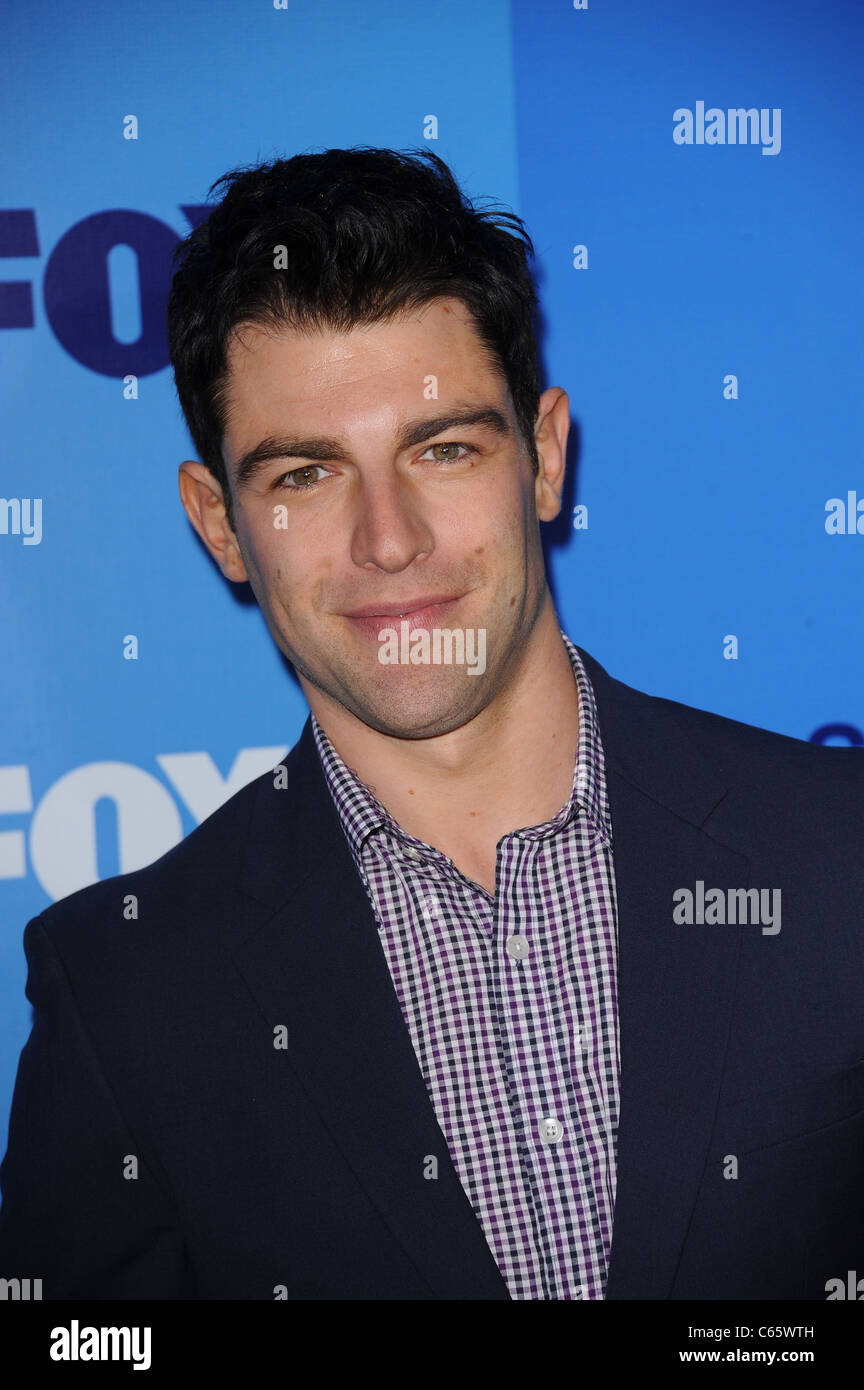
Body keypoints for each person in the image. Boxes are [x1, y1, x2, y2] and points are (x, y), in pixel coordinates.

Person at [1, 147, 862, 1301]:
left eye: (443, 448)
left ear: (545, 457)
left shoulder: (838, 856)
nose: (389, 540)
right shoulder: (126, 995)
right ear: (217, 524)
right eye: (304, 474)